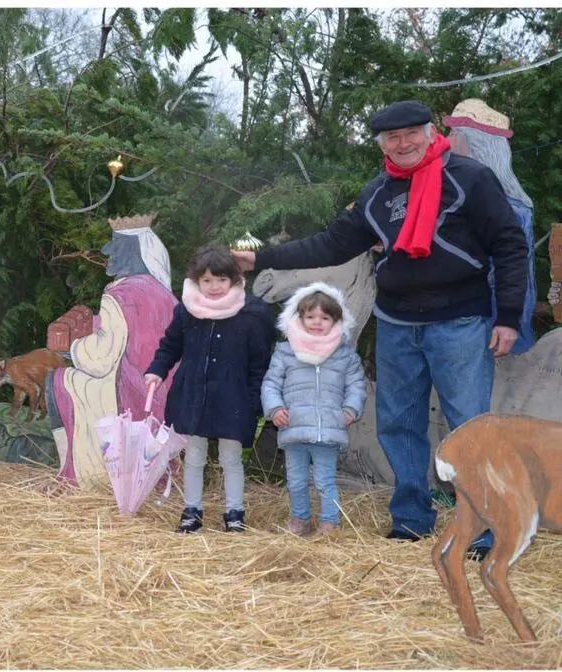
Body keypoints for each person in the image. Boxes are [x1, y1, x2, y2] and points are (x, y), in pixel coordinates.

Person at [231, 100, 528, 555]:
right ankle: (411, 519)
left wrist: (508, 315)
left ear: (431, 133)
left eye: (412, 133)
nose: (403, 143)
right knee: (398, 423)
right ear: (381, 144)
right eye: (392, 137)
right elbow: (330, 244)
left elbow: (509, 245)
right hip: (396, 324)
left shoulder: (469, 178)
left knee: (470, 427)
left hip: (460, 322)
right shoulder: (377, 195)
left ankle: (485, 528)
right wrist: (262, 258)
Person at [144, 244, 276, 533]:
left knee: (231, 458)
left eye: (221, 280)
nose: (214, 287)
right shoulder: (187, 311)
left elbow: (260, 364)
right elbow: (170, 346)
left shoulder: (252, 315)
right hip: (193, 395)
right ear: (196, 281)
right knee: (193, 456)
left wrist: (255, 402)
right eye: (206, 280)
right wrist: (156, 370)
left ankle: (235, 513)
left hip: (233, 398)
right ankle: (192, 511)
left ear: (235, 280)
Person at [45, 213, 179, 490]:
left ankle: (75, 476)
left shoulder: (120, 294)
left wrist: (73, 347)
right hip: (166, 394)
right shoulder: (164, 293)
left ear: (132, 253)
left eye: (115, 248)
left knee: (58, 382)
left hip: (130, 393)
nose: (108, 254)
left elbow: (101, 359)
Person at [261, 282, 367, 537]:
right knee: (296, 481)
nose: (317, 322)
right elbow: (271, 384)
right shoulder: (285, 352)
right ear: (299, 318)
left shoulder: (345, 355)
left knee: (324, 481)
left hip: (328, 431)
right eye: (310, 316)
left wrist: (351, 409)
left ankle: (329, 523)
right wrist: (275, 408)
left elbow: (356, 385)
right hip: (293, 427)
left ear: (337, 320)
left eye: (325, 317)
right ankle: (300, 520)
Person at [444, 98, 537, 355]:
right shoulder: (458, 194)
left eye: (453, 133)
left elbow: (509, 275)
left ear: (476, 142)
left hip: (491, 328)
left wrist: (505, 323)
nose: (446, 140)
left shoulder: (511, 208)